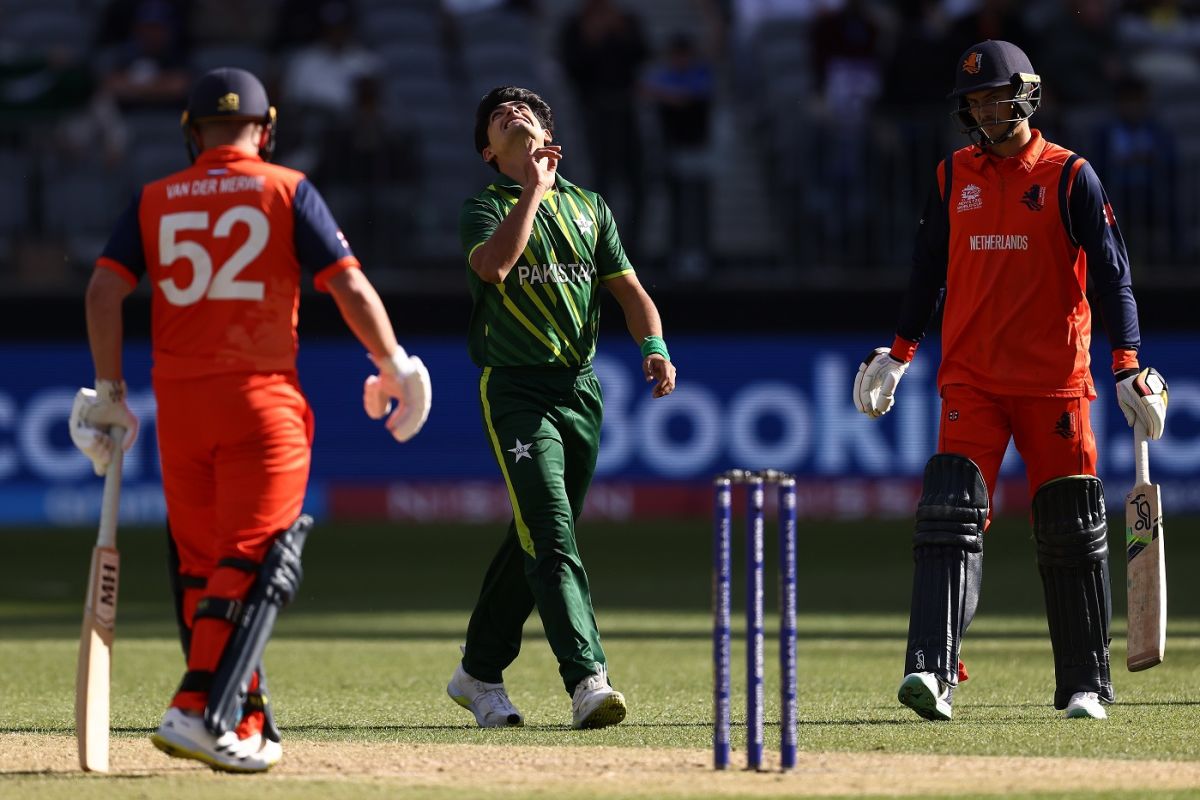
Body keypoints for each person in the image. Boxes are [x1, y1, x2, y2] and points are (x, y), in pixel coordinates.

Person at [69, 67, 432, 772]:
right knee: (261, 558)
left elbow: (102, 291)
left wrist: (108, 389)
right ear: (266, 131)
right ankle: (196, 709)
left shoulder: (154, 198)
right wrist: (393, 362)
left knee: (211, 568)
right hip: (260, 399)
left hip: (178, 405)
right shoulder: (285, 187)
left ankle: (243, 715)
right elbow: (349, 284)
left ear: (189, 133)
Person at [852, 41, 1169, 723]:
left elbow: (1113, 274)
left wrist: (1127, 363)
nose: (981, 108)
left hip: (1055, 384)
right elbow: (926, 272)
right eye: (972, 99)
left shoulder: (1069, 175)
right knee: (948, 519)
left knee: (1070, 530)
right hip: (972, 383)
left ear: (1025, 96)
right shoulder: (950, 176)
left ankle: (1085, 682)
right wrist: (899, 355)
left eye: (993, 95)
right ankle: (932, 672)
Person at [449, 86, 676, 730]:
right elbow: (495, 267)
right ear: (488, 152)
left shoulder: (590, 208)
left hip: (580, 391)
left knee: (542, 531)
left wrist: (654, 345)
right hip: (515, 390)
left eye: (524, 112)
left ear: (550, 137)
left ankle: (477, 673)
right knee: (550, 531)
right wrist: (532, 194)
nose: (511, 117)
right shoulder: (484, 207)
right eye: (497, 119)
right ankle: (587, 679)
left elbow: (631, 293)